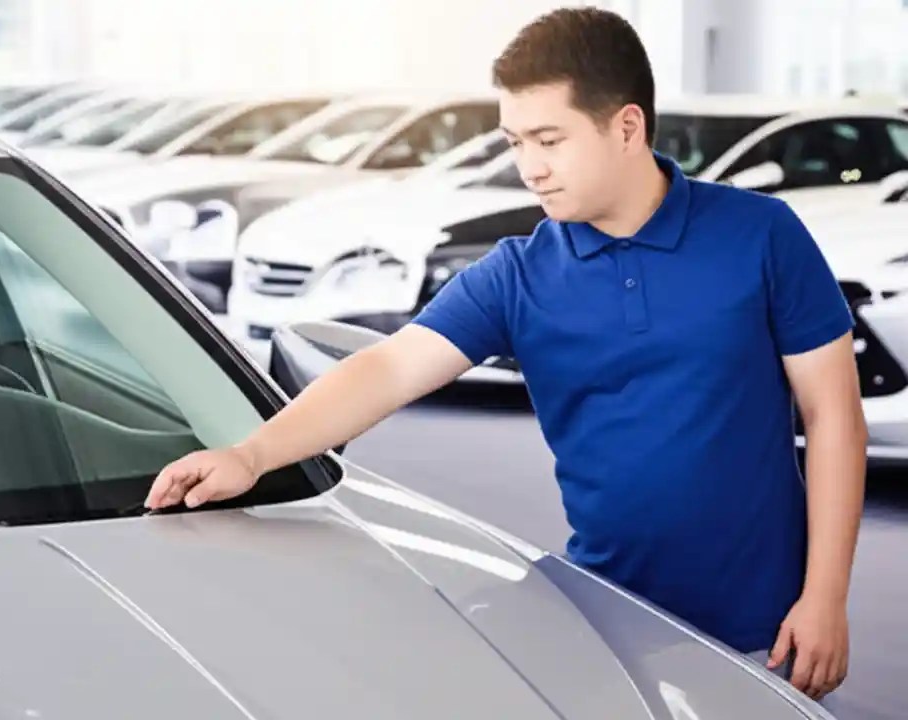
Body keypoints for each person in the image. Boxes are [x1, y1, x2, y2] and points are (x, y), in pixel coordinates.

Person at [144, 6, 866, 703]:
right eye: (515, 142)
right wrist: (251, 455)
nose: (529, 167)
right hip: (603, 628)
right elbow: (389, 368)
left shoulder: (760, 234)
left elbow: (832, 413)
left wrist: (825, 597)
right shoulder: (517, 275)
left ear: (626, 127)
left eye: (549, 140)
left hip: (767, 638)